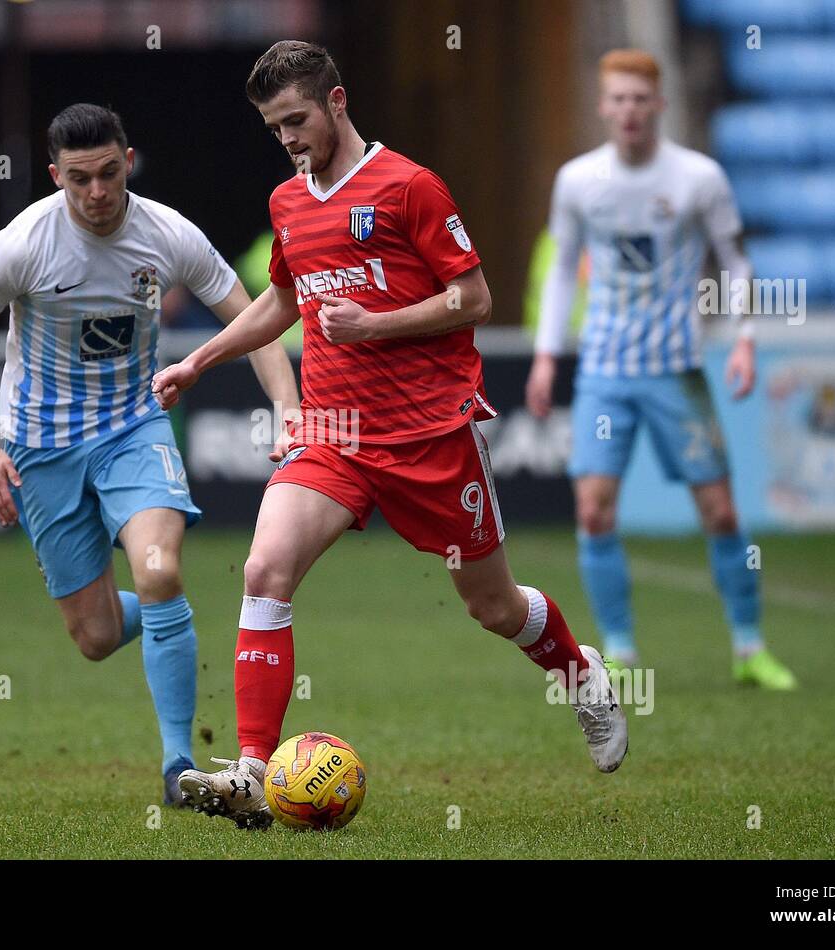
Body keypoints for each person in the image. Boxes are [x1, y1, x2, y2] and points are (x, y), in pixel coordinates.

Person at [152, 41, 628, 830]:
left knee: (494, 605)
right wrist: (200, 360)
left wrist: (377, 325)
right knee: (266, 568)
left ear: (336, 102)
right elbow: (282, 302)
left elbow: (471, 298)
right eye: (274, 128)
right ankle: (250, 770)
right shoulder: (288, 202)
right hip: (335, 430)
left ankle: (582, 677)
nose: (288, 139)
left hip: (431, 434)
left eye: (296, 120)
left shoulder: (410, 187)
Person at [0, 103, 300, 806]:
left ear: (127, 161)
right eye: (79, 180)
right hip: (40, 446)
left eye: (108, 174)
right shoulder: (23, 244)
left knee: (159, 569)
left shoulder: (168, 235)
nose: (97, 193)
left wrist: (286, 409)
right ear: (55, 176)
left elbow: (255, 317)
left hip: (135, 428)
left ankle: (177, 770)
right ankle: (168, 626)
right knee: (97, 635)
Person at [525, 50, 796, 689]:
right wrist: (544, 354)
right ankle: (618, 647)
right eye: (617, 99)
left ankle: (749, 648)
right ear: (602, 105)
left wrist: (745, 339)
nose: (628, 111)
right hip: (604, 373)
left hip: (676, 370)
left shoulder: (698, 178)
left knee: (722, 512)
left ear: (659, 105)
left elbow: (734, 259)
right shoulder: (578, 181)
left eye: (639, 99)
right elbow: (563, 268)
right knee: (593, 510)